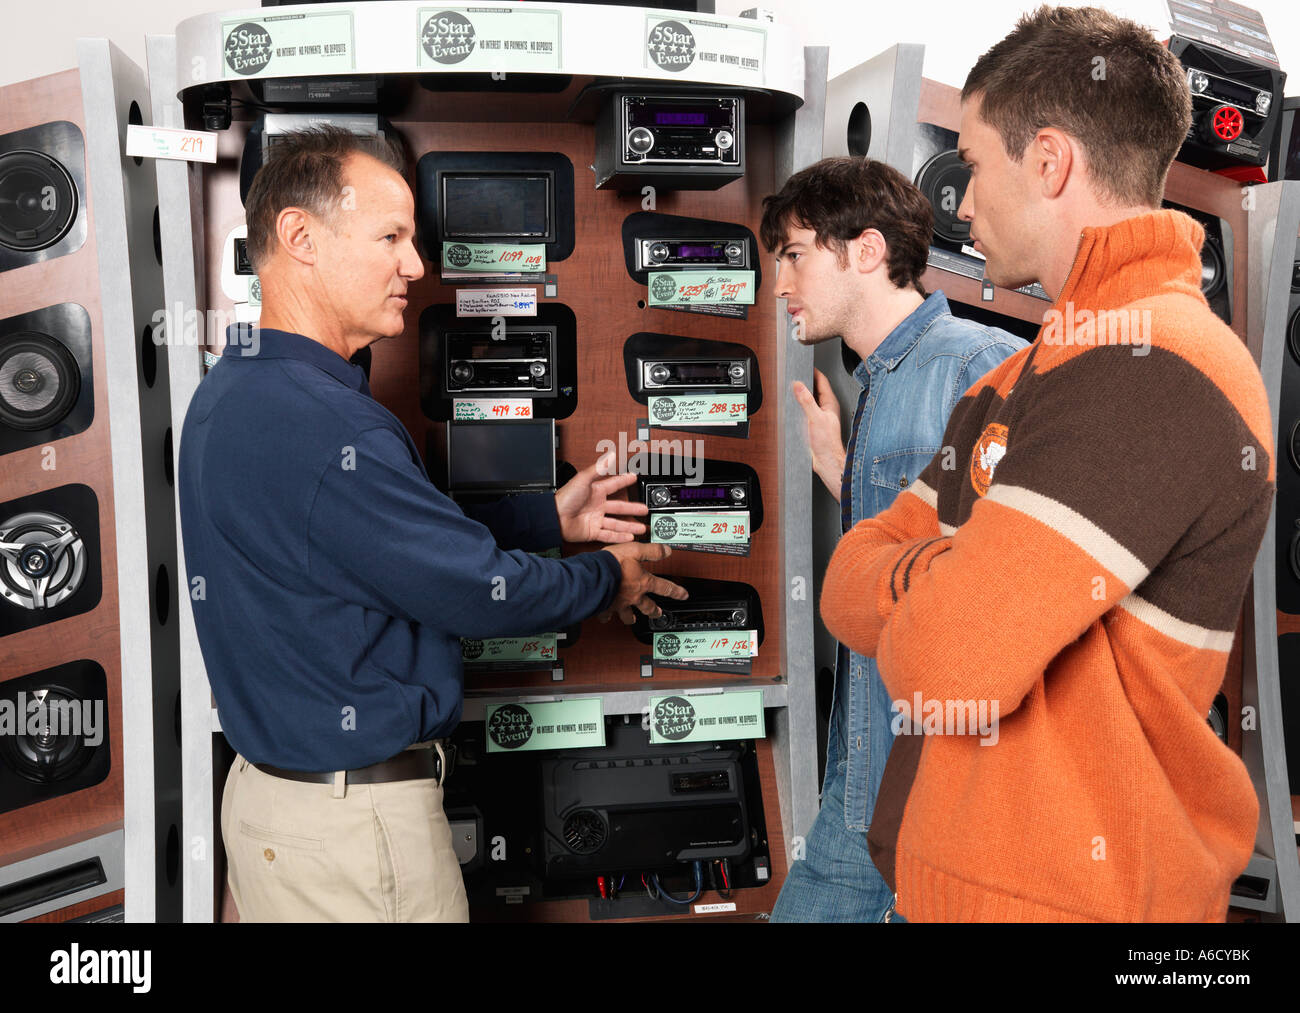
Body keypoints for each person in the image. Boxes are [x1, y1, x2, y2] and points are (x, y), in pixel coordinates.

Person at [821, 5, 1273, 921]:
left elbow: (948, 662)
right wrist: (956, 573)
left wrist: (940, 569)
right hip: (951, 885)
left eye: (977, 165)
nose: (963, 203)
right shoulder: (1027, 371)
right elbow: (841, 586)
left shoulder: (1158, 364)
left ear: (1052, 160)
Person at [178, 126, 685, 922]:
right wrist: (606, 576)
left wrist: (542, 515)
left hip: (282, 811)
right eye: (392, 237)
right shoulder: (327, 423)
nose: (416, 266)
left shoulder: (238, 389)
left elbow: (371, 545)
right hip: (353, 835)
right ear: (299, 236)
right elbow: (476, 593)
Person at [761, 157, 1025, 922]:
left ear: (867, 251)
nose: (780, 285)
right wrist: (846, 476)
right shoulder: (883, 380)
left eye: (795, 256)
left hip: (934, 794)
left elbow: (1001, 577)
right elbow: (934, 529)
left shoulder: (977, 365)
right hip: (864, 775)